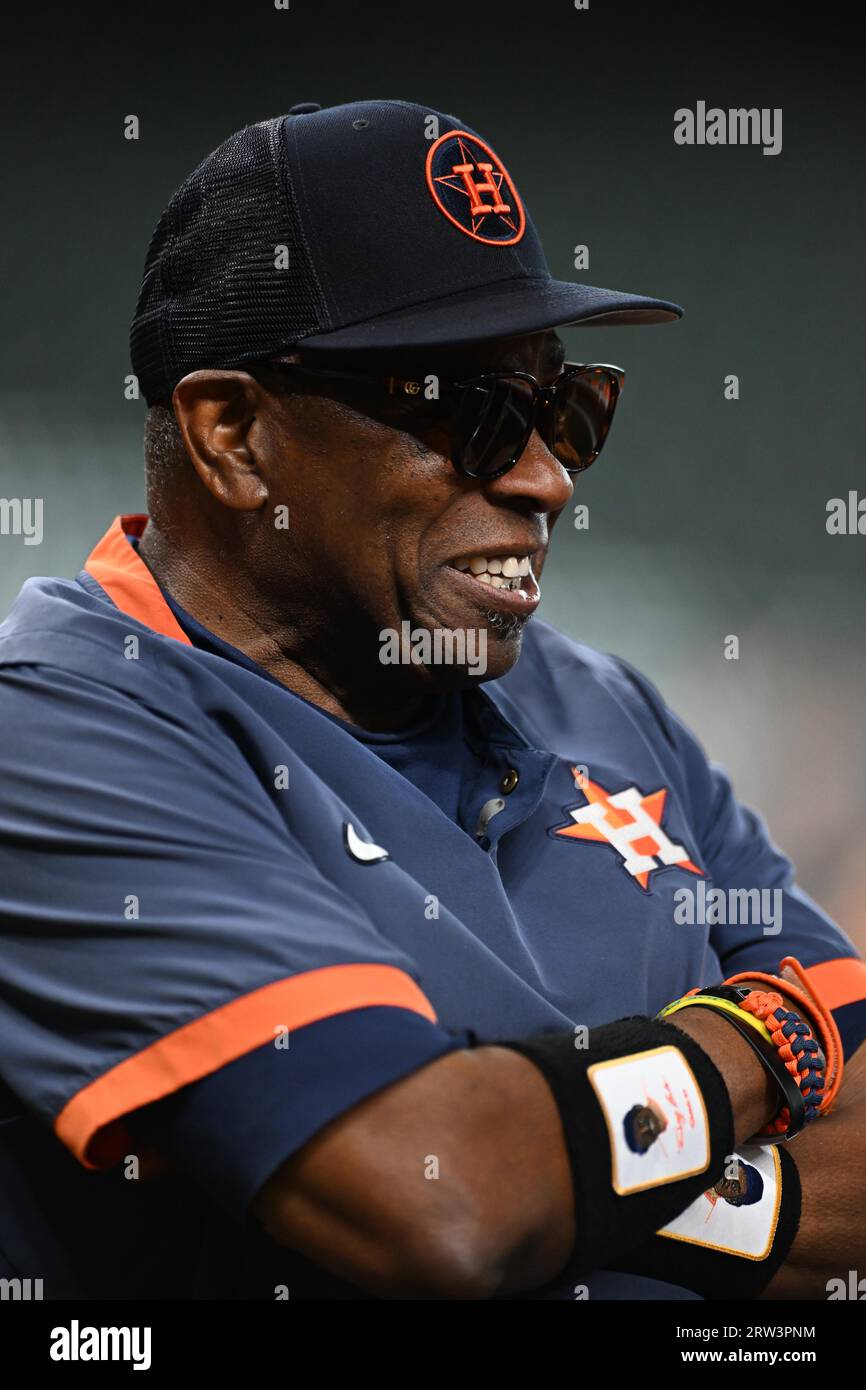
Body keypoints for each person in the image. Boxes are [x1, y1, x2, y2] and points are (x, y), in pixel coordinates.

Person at [1, 100, 865, 1302]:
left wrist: (568, 1166)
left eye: (565, 406)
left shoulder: (600, 697)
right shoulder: (58, 732)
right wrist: (766, 1036)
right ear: (234, 437)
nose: (546, 476)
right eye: (468, 412)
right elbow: (445, 1201)